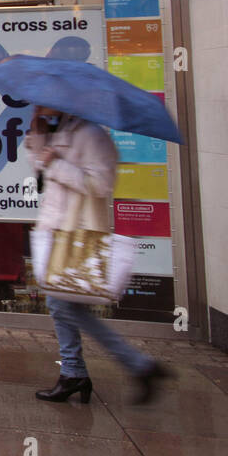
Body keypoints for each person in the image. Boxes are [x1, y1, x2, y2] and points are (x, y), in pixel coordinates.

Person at [25, 105, 169, 405]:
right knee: (61, 305)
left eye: (43, 100)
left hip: (77, 235)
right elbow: (41, 170)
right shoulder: (59, 128)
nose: (38, 105)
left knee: (65, 308)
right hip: (59, 232)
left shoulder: (91, 135)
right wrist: (38, 138)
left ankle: (134, 365)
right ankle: (76, 372)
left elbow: (101, 184)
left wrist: (58, 164)